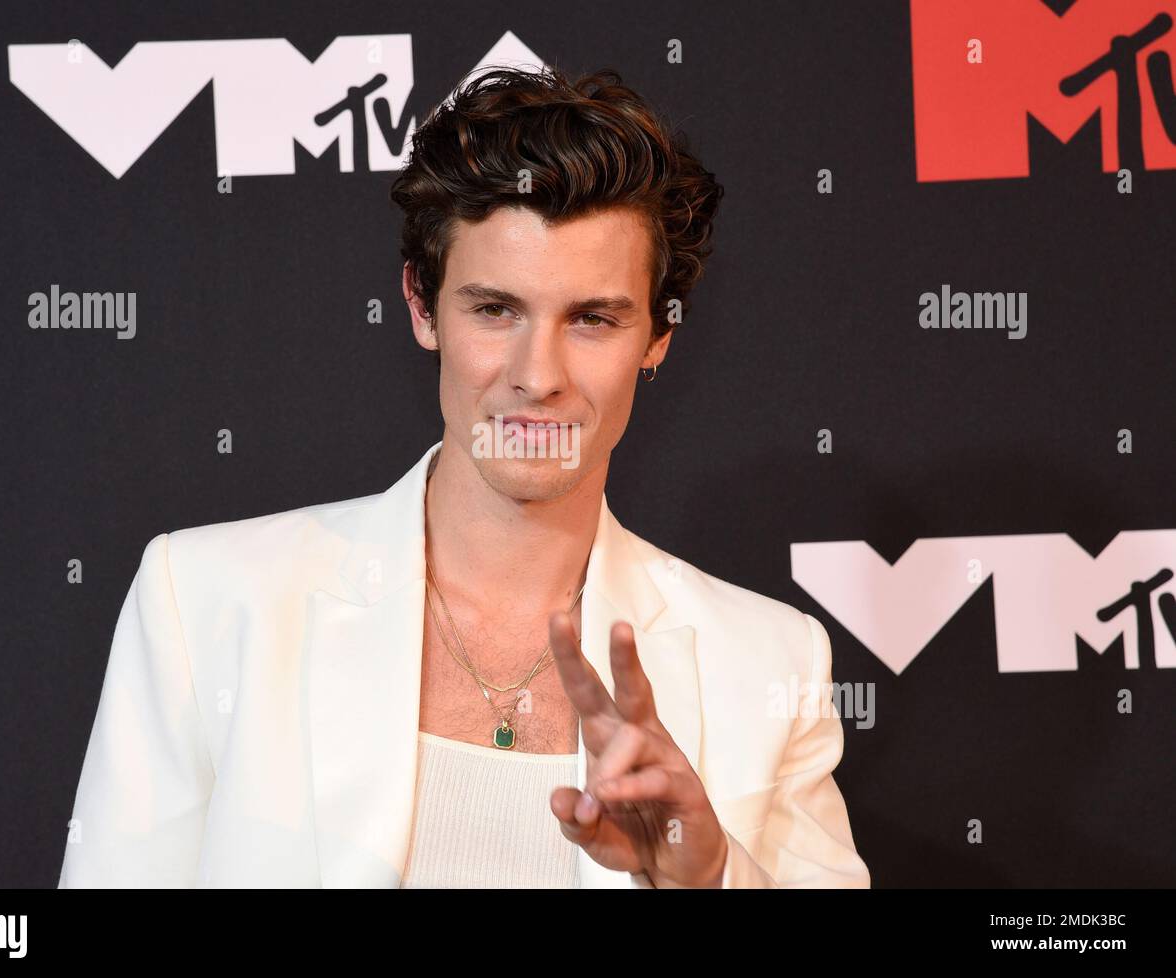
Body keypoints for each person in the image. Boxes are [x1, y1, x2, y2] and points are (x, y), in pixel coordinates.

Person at [57, 64, 870, 889]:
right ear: (421, 304)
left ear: (659, 336)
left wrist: (710, 883)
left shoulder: (768, 663)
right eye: (495, 310)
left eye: (592, 319)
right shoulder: (207, 601)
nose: (537, 374)